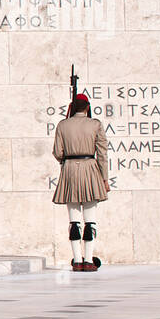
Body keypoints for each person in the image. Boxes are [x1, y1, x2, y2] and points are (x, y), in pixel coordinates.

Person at [53, 93, 108, 272]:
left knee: (74, 220)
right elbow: (102, 153)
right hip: (90, 168)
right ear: (87, 107)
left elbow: (57, 152)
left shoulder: (63, 125)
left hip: (70, 169)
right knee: (90, 220)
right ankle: (88, 259)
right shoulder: (95, 124)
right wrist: (104, 178)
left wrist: (67, 160)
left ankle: (77, 260)